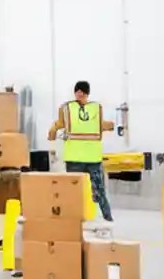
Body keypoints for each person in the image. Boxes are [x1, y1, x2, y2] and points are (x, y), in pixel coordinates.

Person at [48, 81, 115, 221]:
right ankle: (105, 219)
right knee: (96, 191)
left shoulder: (68, 108)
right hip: (85, 158)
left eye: (80, 91)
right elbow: (102, 125)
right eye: (77, 91)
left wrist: (52, 136)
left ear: (84, 93)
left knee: (80, 192)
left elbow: (56, 127)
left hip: (84, 158)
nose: (78, 94)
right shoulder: (94, 108)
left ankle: (76, 219)